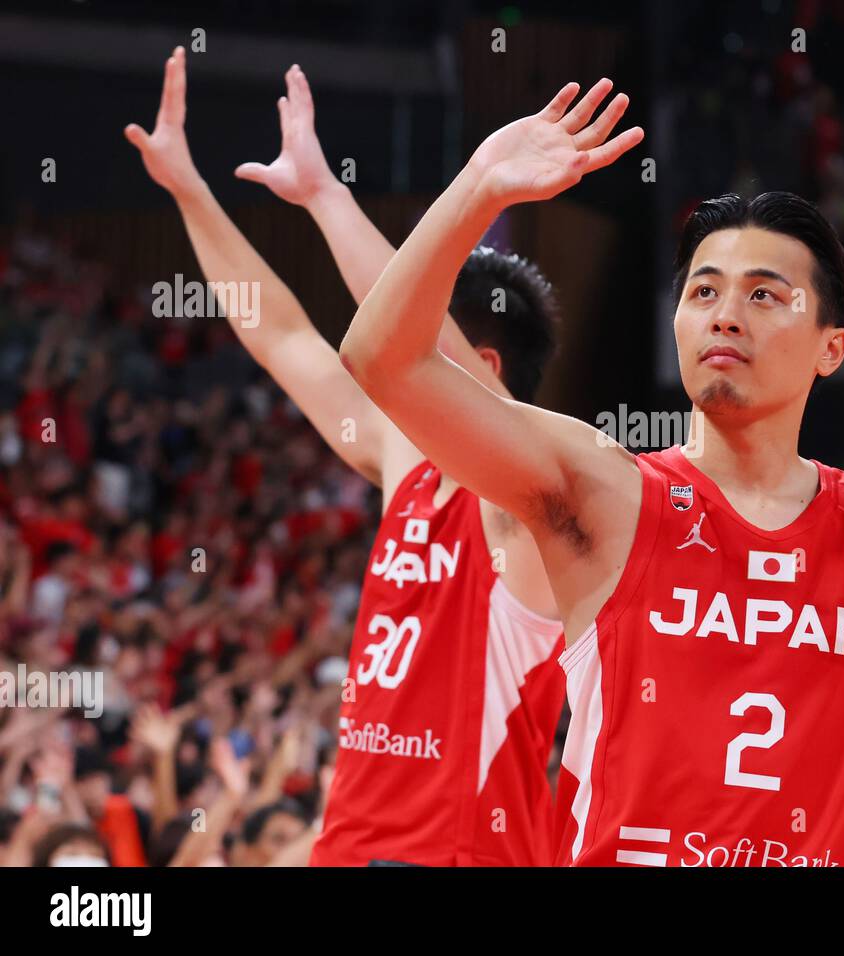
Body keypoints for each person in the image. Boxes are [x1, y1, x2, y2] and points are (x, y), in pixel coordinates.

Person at [339, 80, 844, 868]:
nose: (725, 313)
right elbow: (382, 358)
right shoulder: (604, 486)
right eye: (703, 291)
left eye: (765, 295)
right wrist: (479, 187)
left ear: (832, 346)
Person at [125, 48, 567, 866]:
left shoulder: (530, 491)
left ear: (481, 369)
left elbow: (402, 328)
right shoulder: (408, 460)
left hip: (458, 853)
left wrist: (329, 197)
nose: (388, 355)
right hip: (353, 845)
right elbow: (283, 336)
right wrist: (189, 190)